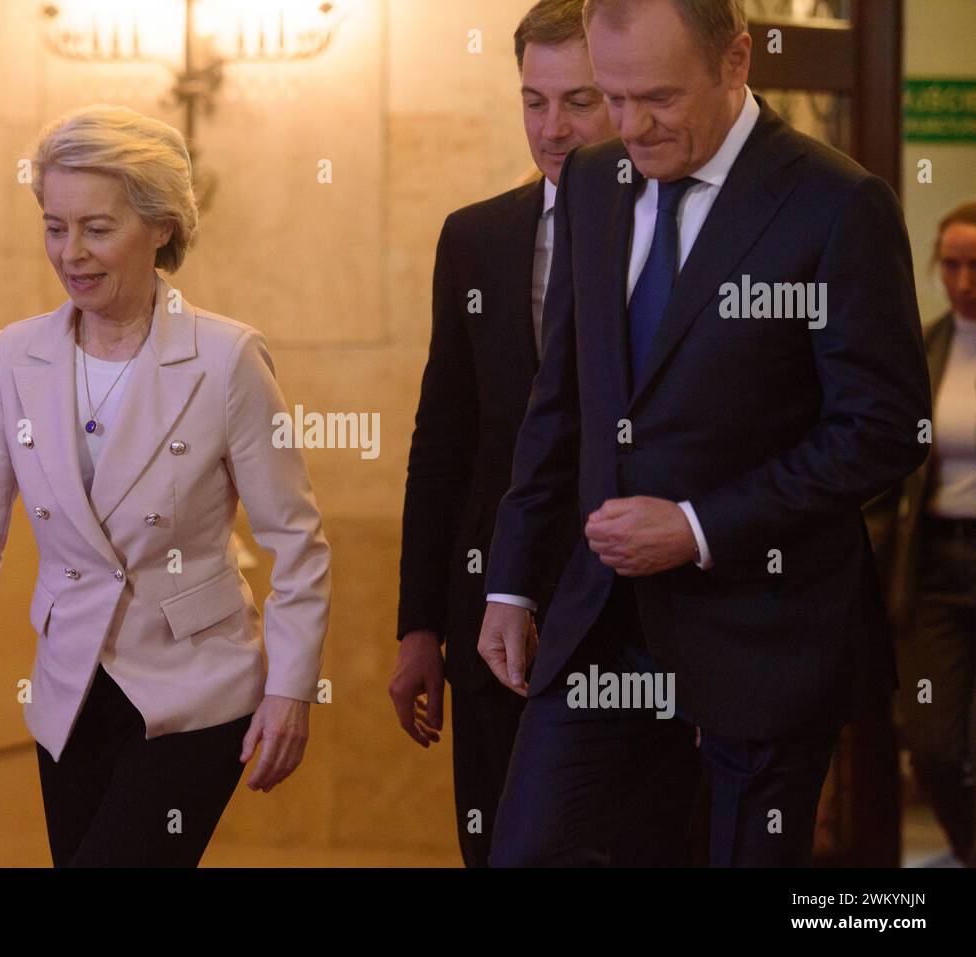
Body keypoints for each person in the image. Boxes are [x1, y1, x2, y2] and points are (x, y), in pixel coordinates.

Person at [478, 0, 931, 867]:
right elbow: (561, 399)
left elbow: (883, 429)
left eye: (658, 97)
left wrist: (696, 526)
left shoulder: (838, 204)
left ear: (735, 61)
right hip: (600, 622)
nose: (630, 126)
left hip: (766, 634)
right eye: (611, 97)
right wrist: (511, 582)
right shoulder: (594, 184)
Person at [0, 105, 332, 867]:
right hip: (69, 690)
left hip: (198, 688)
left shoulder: (226, 359)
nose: (71, 254)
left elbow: (296, 542)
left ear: (161, 225)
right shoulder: (14, 356)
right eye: (54, 227)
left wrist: (290, 688)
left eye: (96, 228)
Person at [391, 0, 614, 868]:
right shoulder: (477, 237)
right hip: (494, 605)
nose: (553, 129)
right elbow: (443, 438)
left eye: (580, 101)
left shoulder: (675, 236)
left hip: (632, 608)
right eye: (534, 101)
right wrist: (418, 626)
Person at [868, 202, 976, 865]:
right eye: (953, 264)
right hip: (934, 564)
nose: (966, 279)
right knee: (932, 739)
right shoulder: (926, 349)